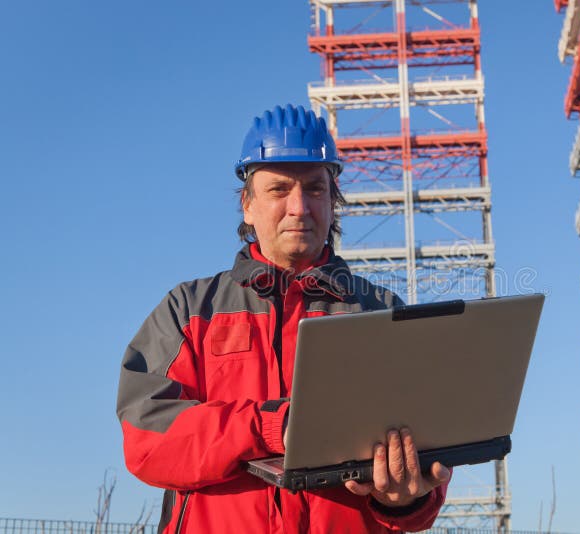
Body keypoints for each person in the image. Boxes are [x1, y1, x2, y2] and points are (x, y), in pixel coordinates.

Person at [116, 104, 450, 533]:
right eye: (278, 190)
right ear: (248, 205)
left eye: (314, 189)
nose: (298, 207)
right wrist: (272, 426)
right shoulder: (188, 312)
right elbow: (148, 441)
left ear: (333, 203)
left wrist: (407, 498)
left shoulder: (383, 313)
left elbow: (428, 445)